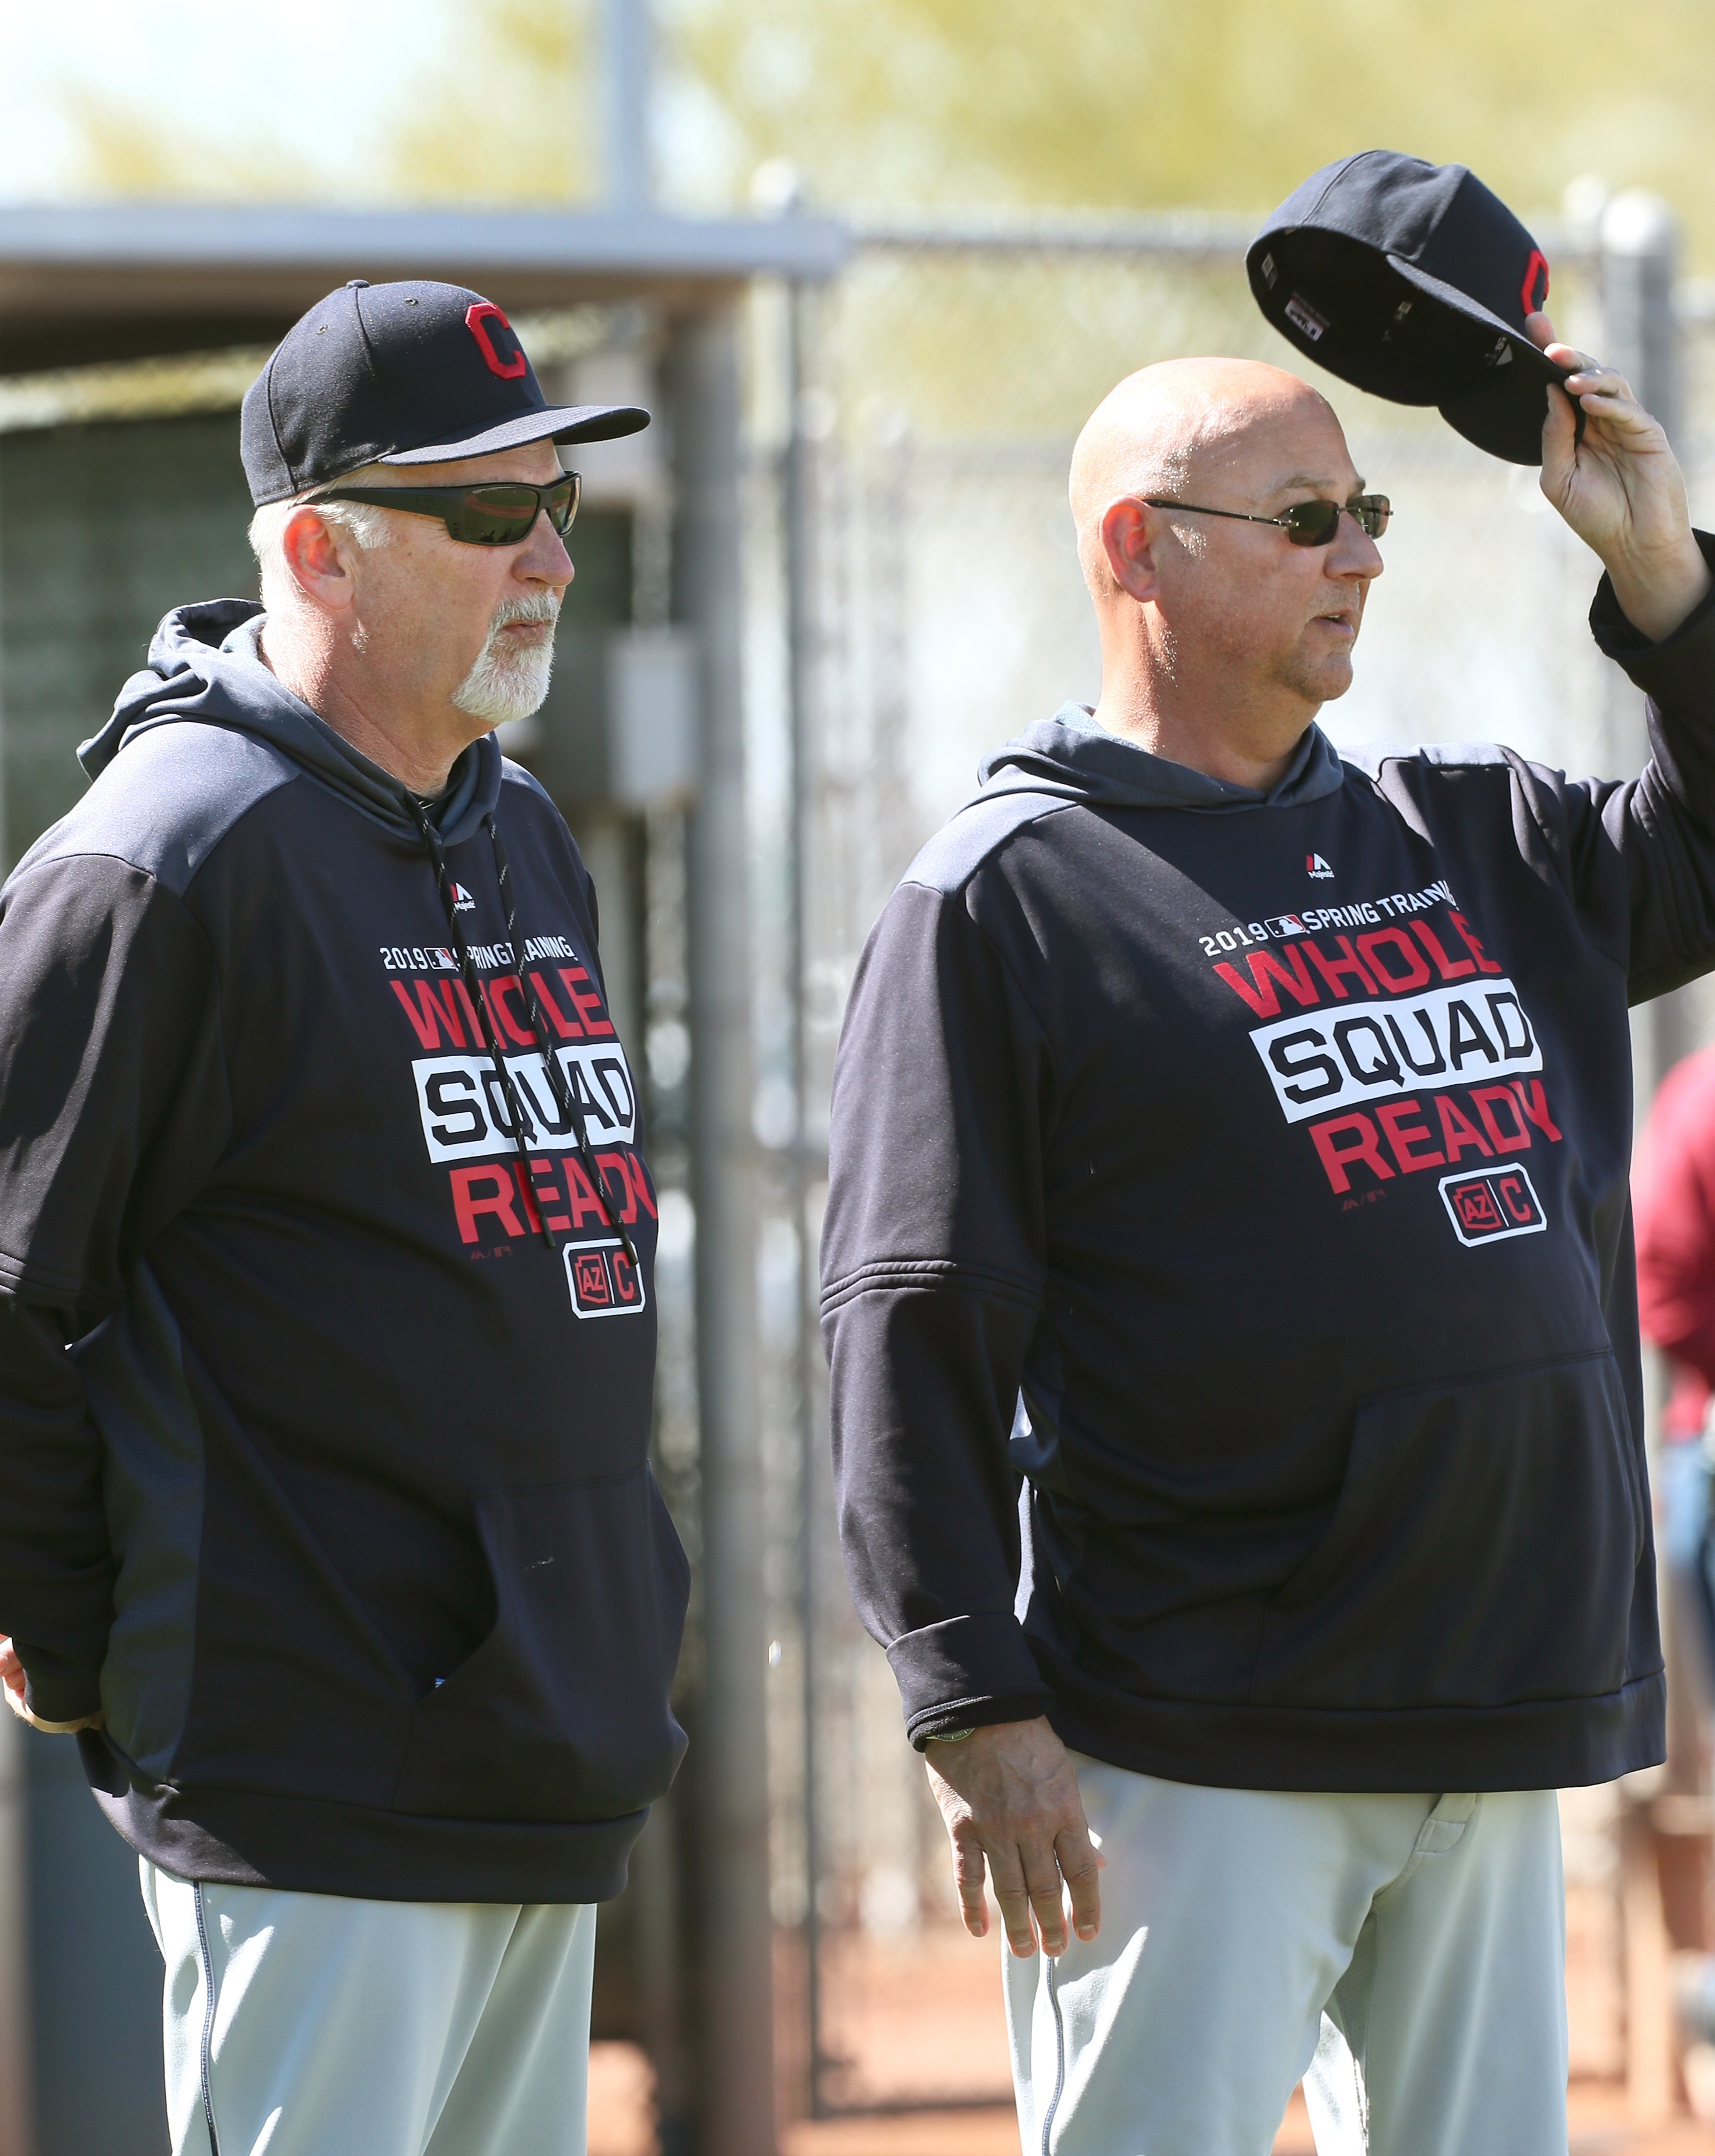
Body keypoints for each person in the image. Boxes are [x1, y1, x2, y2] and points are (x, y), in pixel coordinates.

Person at [821, 312, 1715, 2155]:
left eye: (1365, 507)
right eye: (1303, 515)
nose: (1361, 551)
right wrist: (967, 1696)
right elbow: (909, 1318)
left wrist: (1667, 586)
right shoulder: (1008, 894)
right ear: (1135, 551)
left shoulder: (1473, 837)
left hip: (1488, 1698)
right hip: (1193, 1727)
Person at [0, 279, 688, 2156]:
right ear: (318, 546)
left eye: (552, 498)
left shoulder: (517, 823)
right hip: (307, 1765)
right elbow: (11, 1295)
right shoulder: (163, 856)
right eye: (489, 512)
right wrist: (80, 1642)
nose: (549, 553)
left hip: (535, 1748)